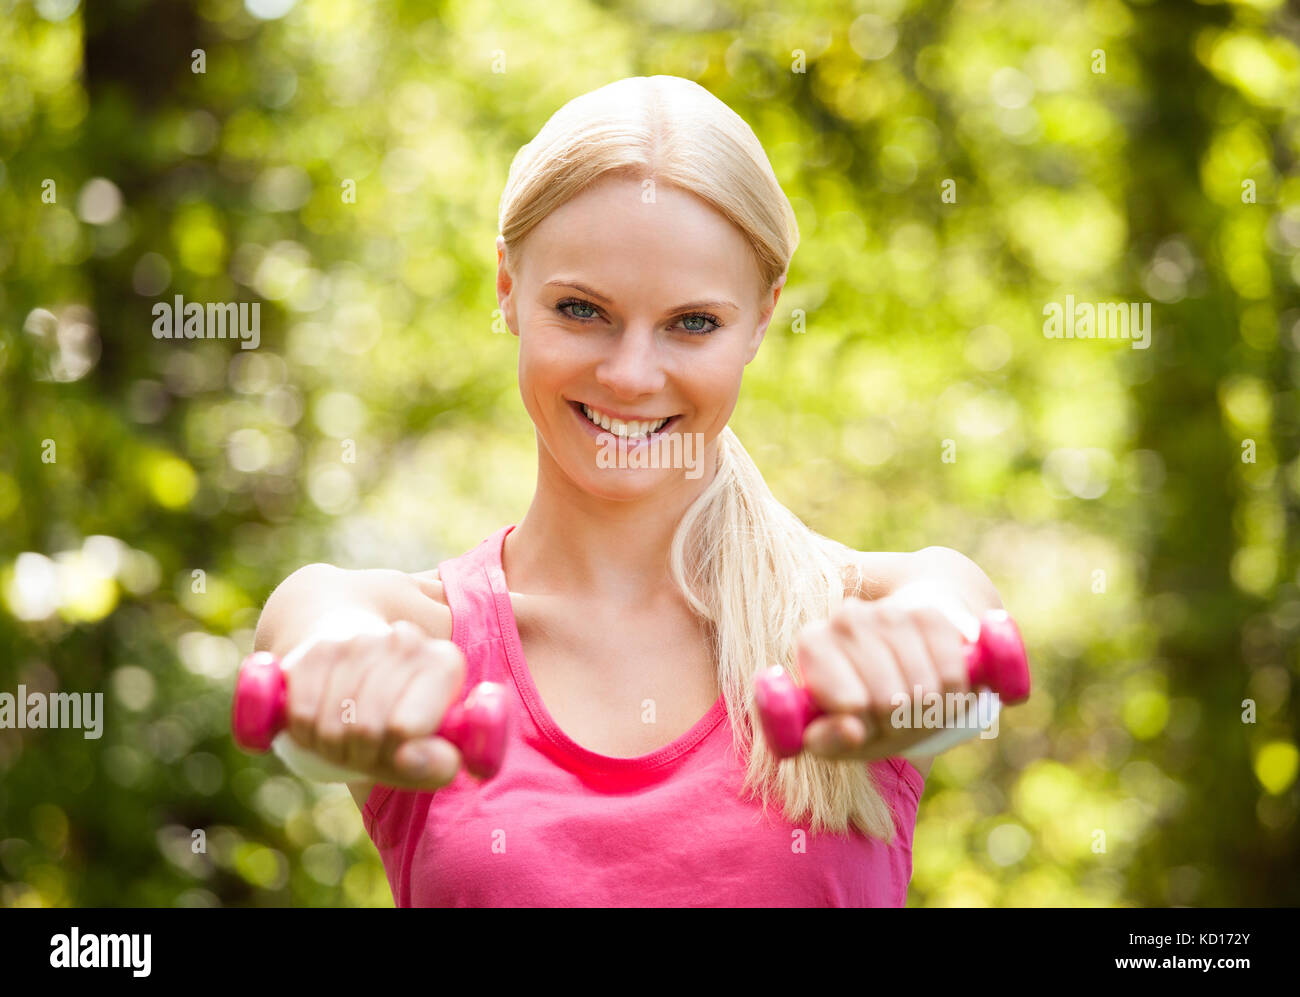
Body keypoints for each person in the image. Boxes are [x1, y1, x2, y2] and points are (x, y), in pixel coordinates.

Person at [251, 75, 1005, 907]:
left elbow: (954, 610)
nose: (631, 374)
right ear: (506, 286)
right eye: (582, 309)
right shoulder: (416, 635)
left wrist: (935, 656)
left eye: (693, 323)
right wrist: (334, 678)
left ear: (762, 317)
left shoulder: (856, 623)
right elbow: (314, 628)